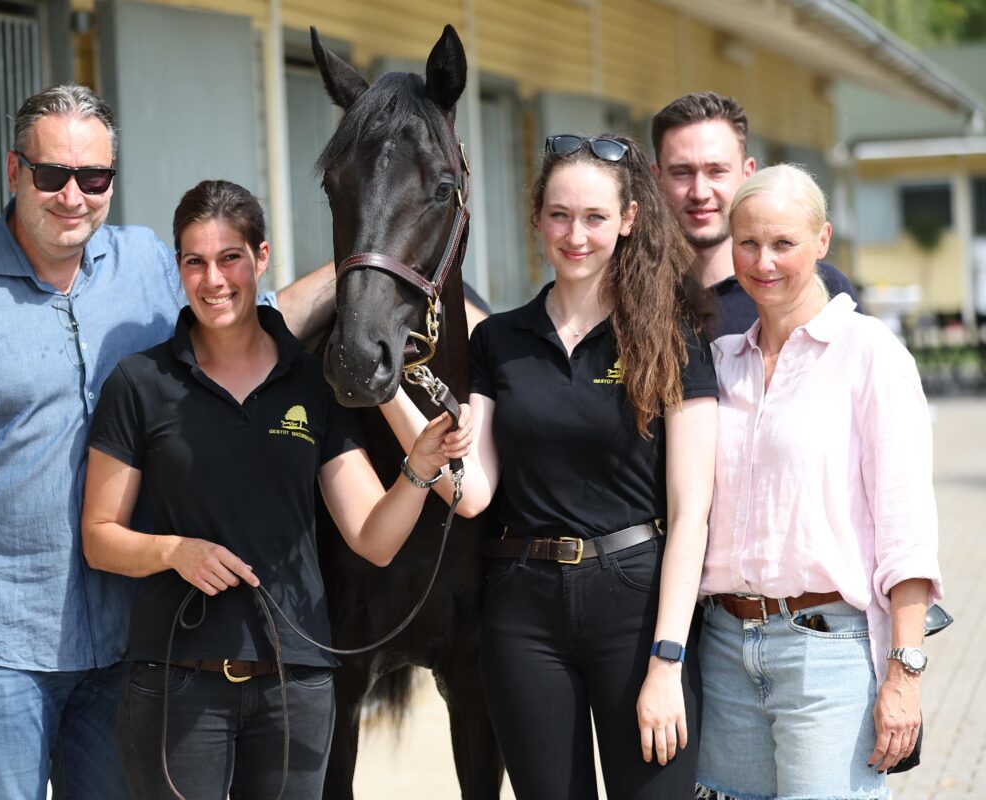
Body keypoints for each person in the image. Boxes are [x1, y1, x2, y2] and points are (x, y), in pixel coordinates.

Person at [0, 84, 322, 799]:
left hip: (127, 642)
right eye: (52, 175)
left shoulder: (149, 268)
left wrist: (369, 273)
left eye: (93, 177)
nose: (73, 196)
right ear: (14, 173)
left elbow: (252, 312)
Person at [80, 179, 470, 799]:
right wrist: (173, 551)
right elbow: (100, 539)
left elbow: (372, 536)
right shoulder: (140, 383)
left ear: (261, 260)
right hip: (179, 685)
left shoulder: (313, 384)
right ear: (178, 269)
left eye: (230, 257)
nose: (214, 281)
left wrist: (418, 467)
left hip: (295, 690)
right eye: (195, 262)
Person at [382, 134, 718, 799]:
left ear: (627, 221)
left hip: (636, 604)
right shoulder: (499, 340)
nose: (576, 235)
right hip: (524, 609)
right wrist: (388, 390)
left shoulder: (670, 338)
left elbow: (691, 515)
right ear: (537, 217)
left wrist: (667, 661)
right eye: (559, 215)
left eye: (595, 218)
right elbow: (473, 493)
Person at [697, 164, 942, 799]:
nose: (763, 260)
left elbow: (906, 532)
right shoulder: (719, 364)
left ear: (823, 240)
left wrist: (905, 673)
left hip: (826, 656)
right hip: (724, 651)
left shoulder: (870, 354)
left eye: (783, 243)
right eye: (747, 242)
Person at [650, 91, 863, 338]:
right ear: (657, 178)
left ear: (747, 172)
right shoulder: (637, 294)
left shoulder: (820, 287)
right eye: (682, 172)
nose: (700, 192)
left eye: (717, 171)